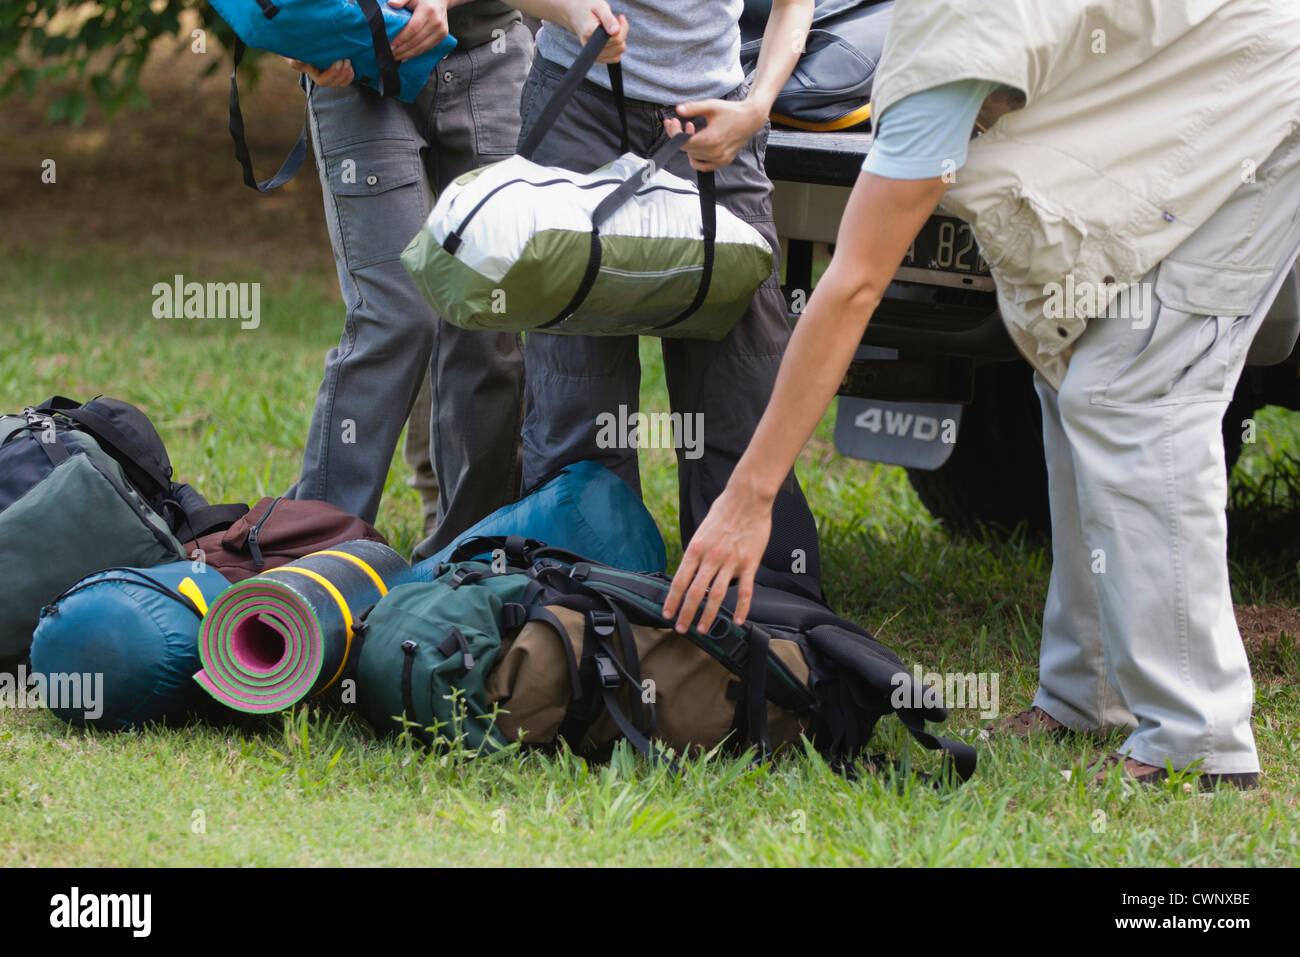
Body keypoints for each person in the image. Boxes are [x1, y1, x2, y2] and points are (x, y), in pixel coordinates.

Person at [663, 0, 1300, 787]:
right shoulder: (937, 40)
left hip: (1258, 94)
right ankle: (1085, 695)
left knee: (1135, 393)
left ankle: (1199, 748)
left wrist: (749, 496)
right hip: (1169, 81)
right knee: (1078, 373)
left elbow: (853, 285)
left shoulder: (949, 49)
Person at [503, 0, 825, 601]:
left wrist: (755, 108)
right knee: (579, 400)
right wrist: (571, 15)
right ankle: (582, 622)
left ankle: (764, 623)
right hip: (582, 105)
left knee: (743, 389)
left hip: (718, 114)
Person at [284, 0, 531, 558]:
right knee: (396, 314)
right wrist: (300, 31)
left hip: (489, 49)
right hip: (361, 69)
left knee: (487, 318)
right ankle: (311, 561)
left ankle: (469, 558)